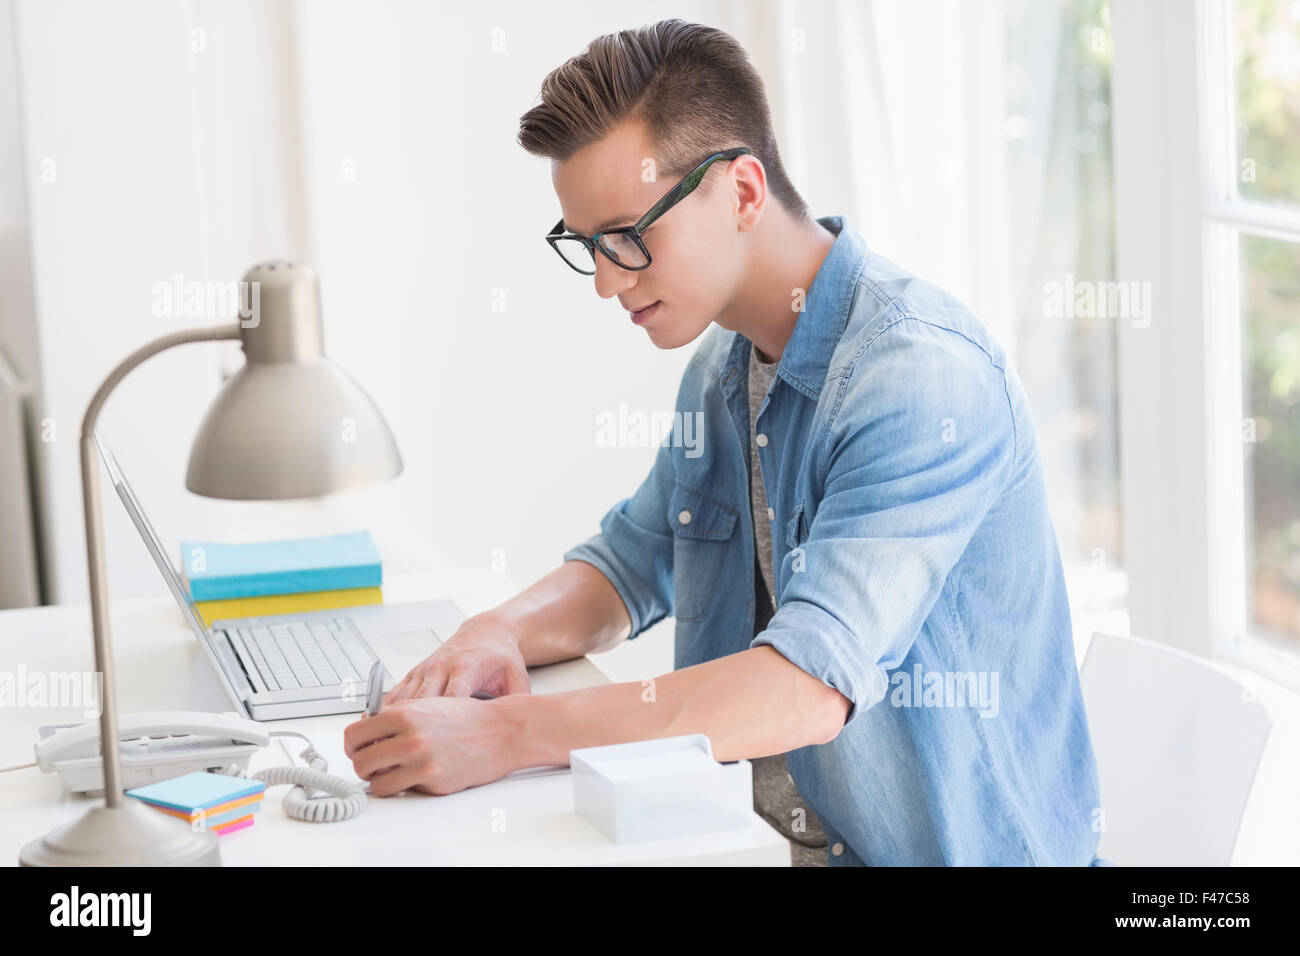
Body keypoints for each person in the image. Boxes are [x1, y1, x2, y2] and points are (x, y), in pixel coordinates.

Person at [344, 18, 1103, 867]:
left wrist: (508, 735)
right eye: (587, 246)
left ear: (741, 191)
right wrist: (491, 633)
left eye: (628, 236)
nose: (604, 280)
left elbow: (808, 689)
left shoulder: (920, 379)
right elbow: (633, 561)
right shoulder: (726, 364)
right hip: (745, 844)